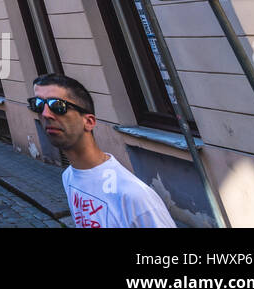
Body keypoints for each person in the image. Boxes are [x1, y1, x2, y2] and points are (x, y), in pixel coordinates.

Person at [31, 73, 175, 228]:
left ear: (89, 122)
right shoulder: (69, 177)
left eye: (58, 105)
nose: (45, 114)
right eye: (38, 104)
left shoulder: (135, 197)